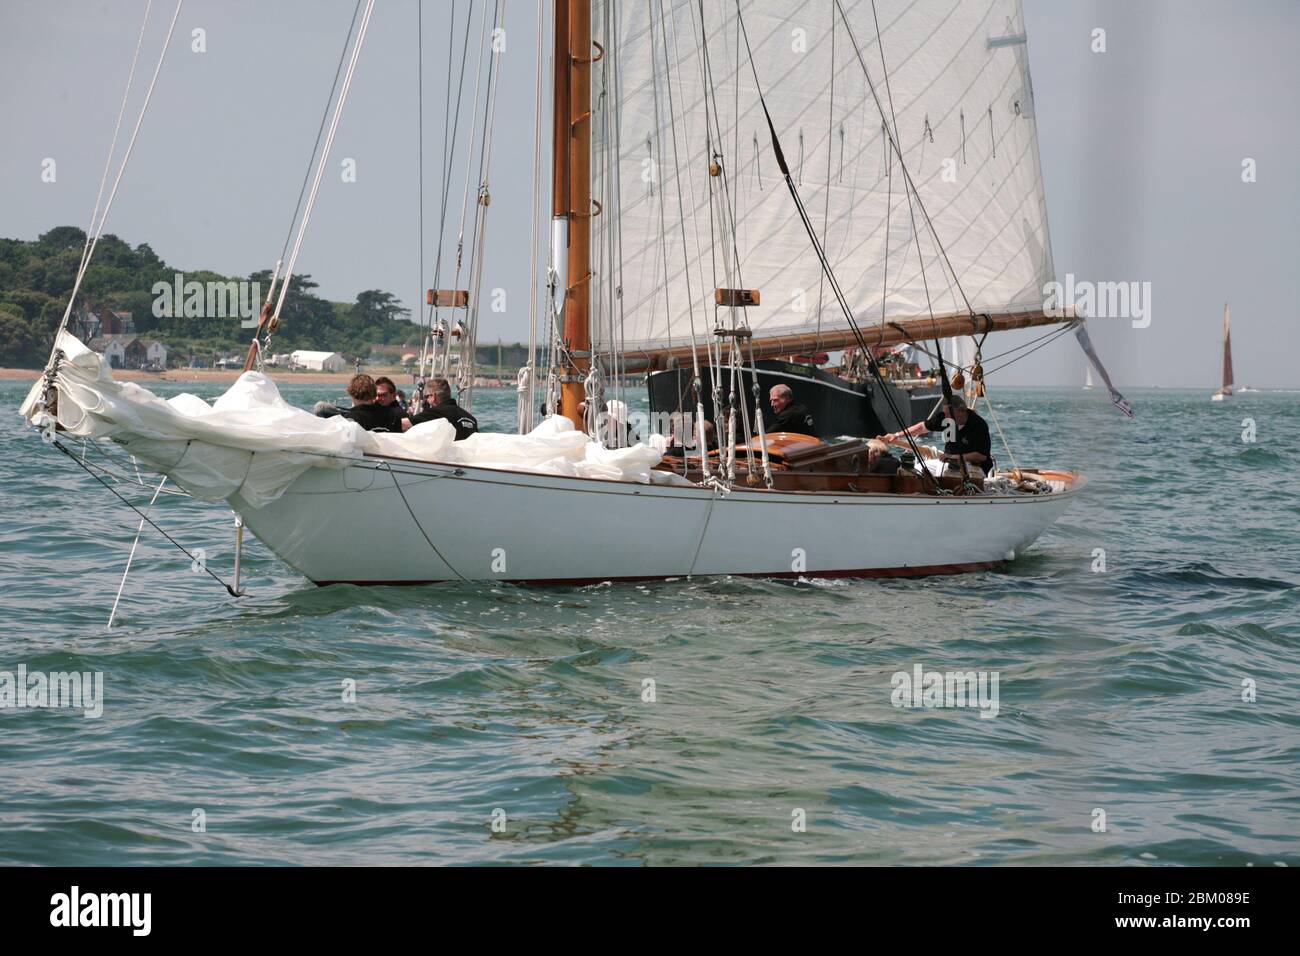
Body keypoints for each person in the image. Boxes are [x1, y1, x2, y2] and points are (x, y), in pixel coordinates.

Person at [883, 392, 992, 474]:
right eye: (945, 413)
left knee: (943, 470)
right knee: (919, 469)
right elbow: (922, 427)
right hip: (948, 461)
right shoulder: (945, 418)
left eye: (949, 414)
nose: (946, 417)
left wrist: (953, 457)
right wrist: (897, 435)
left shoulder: (978, 425)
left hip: (974, 466)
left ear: (962, 411)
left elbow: (981, 456)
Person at [403, 377, 479, 440]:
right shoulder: (471, 418)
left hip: (448, 457)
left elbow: (404, 423)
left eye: (426, 396)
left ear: (433, 396)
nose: (426, 399)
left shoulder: (437, 412)